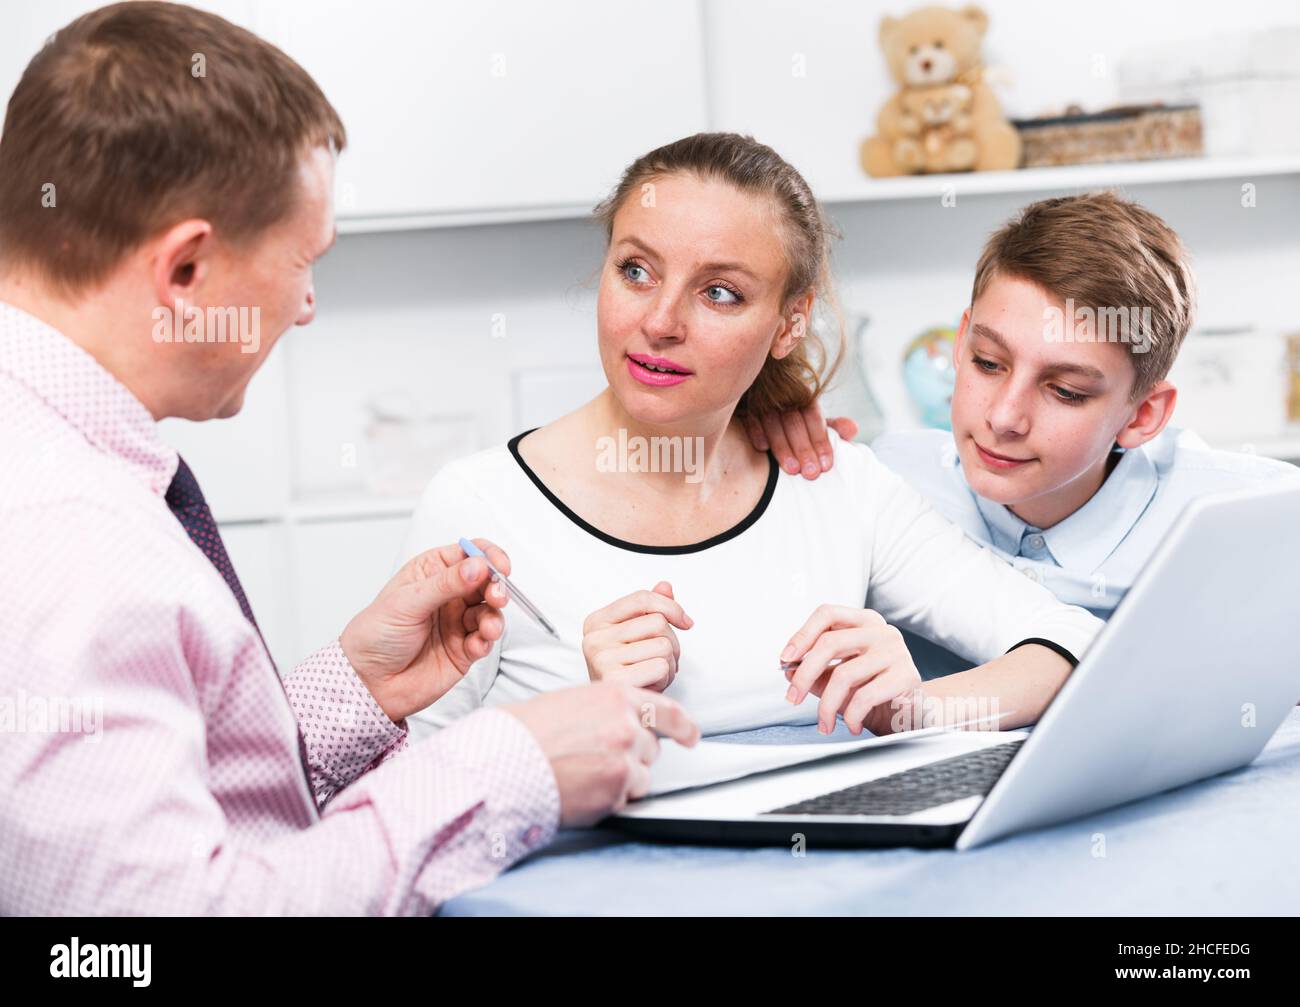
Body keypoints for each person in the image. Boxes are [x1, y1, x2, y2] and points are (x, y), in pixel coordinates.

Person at [0, 1, 698, 916]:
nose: (307, 307)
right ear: (185, 273)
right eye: (302, 261)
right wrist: (510, 765)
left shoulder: (62, 460)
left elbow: (171, 800)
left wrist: (356, 690)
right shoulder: (67, 537)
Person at [400, 132, 1105, 742]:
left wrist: (913, 708)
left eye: (720, 292)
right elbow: (407, 783)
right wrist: (585, 716)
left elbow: (1072, 643)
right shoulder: (480, 506)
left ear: (791, 322)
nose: (661, 321)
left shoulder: (834, 484)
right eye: (637, 271)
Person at [748, 194, 1299, 675]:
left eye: (1065, 392)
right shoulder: (883, 478)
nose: (1005, 417)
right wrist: (753, 428)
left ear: (1142, 416)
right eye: (988, 363)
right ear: (962, 343)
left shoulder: (1248, 515)